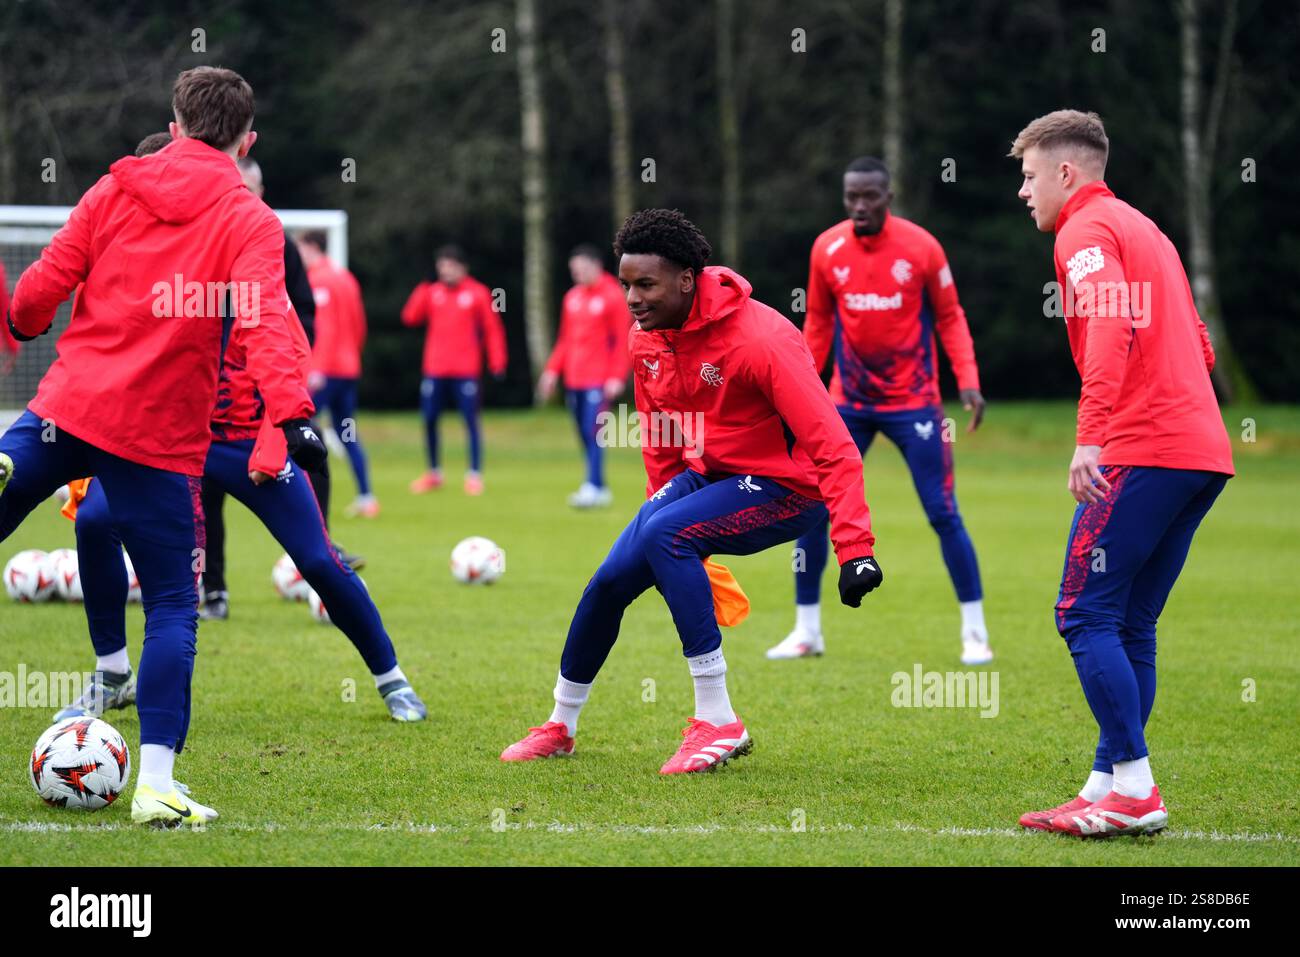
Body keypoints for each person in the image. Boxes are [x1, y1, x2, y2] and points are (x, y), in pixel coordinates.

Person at [0, 66, 323, 826]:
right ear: (248, 140)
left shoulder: (116, 186)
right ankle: (155, 785)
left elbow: (46, 279)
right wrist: (295, 414)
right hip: (156, 435)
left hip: (67, 407)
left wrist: (21, 319)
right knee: (175, 603)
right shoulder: (250, 219)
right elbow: (264, 323)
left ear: (174, 123)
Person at [500, 209, 883, 774]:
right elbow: (658, 436)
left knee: (666, 535)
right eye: (626, 283)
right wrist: (667, 525)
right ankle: (561, 723)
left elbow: (835, 448)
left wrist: (856, 550)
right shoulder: (646, 337)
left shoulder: (764, 338)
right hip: (708, 475)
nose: (631, 298)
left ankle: (720, 720)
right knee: (609, 580)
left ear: (687, 279)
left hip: (788, 488)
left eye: (645, 285)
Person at [1009, 110, 1233, 837]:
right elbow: (1199, 342)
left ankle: (1134, 790)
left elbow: (1108, 323)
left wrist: (1094, 436)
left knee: (1082, 610)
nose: (1023, 191)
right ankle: (1107, 781)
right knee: (1132, 617)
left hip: (1144, 448)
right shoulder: (1148, 230)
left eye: (1030, 175)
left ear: (1066, 173)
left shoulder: (1083, 231)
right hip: (1200, 451)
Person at [771, 156, 991, 665]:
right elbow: (819, 323)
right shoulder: (827, 248)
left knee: (942, 512)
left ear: (888, 197)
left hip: (914, 401)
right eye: (851, 197)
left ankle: (975, 632)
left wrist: (970, 381)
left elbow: (952, 316)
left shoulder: (922, 248)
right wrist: (797, 388)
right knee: (811, 506)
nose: (860, 206)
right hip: (847, 402)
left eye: (870, 196)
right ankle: (807, 631)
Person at [199, 154, 362, 621]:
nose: (242, 198)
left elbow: (303, 310)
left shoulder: (277, 242)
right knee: (208, 487)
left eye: (249, 190)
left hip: (271, 384)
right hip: (214, 392)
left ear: (261, 192)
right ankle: (213, 591)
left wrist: (290, 354)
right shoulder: (204, 240)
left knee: (311, 456)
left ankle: (322, 557)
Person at [401, 245, 507, 496]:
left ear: (462, 267)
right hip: (435, 369)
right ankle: (434, 473)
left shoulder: (479, 293)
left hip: (465, 370)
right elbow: (410, 317)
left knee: (470, 421)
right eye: (441, 268)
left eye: (450, 267)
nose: (445, 273)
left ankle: (474, 474)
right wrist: (424, 286)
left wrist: (497, 361)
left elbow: (493, 330)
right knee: (429, 420)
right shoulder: (432, 292)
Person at [538, 244, 633, 508]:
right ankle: (599, 485)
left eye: (581, 269)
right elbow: (565, 340)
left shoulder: (613, 296)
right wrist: (551, 372)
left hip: (599, 378)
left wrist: (616, 375)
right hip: (574, 378)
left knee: (594, 430)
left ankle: (592, 486)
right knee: (583, 431)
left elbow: (623, 339)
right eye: (573, 270)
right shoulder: (572, 298)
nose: (577, 274)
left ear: (595, 265)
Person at [297, 230, 377, 518]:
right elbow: (359, 323)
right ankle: (367, 497)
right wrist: (354, 355)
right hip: (348, 367)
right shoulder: (346, 277)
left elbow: (325, 328)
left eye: (300, 249)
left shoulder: (319, 280)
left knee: (297, 428)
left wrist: (315, 367)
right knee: (347, 432)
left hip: (326, 369)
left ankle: (301, 500)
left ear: (311, 248)